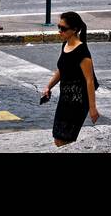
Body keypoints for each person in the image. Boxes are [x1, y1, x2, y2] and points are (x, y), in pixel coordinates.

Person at [40, 11, 99, 146]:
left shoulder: (82, 52)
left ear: (74, 30)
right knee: (58, 139)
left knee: (65, 141)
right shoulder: (65, 45)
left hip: (78, 102)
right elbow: (62, 70)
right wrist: (48, 87)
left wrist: (92, 108)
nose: (60, 31)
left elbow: (89, 81)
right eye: (59, 27)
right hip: (65, 99)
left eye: (63, 28)